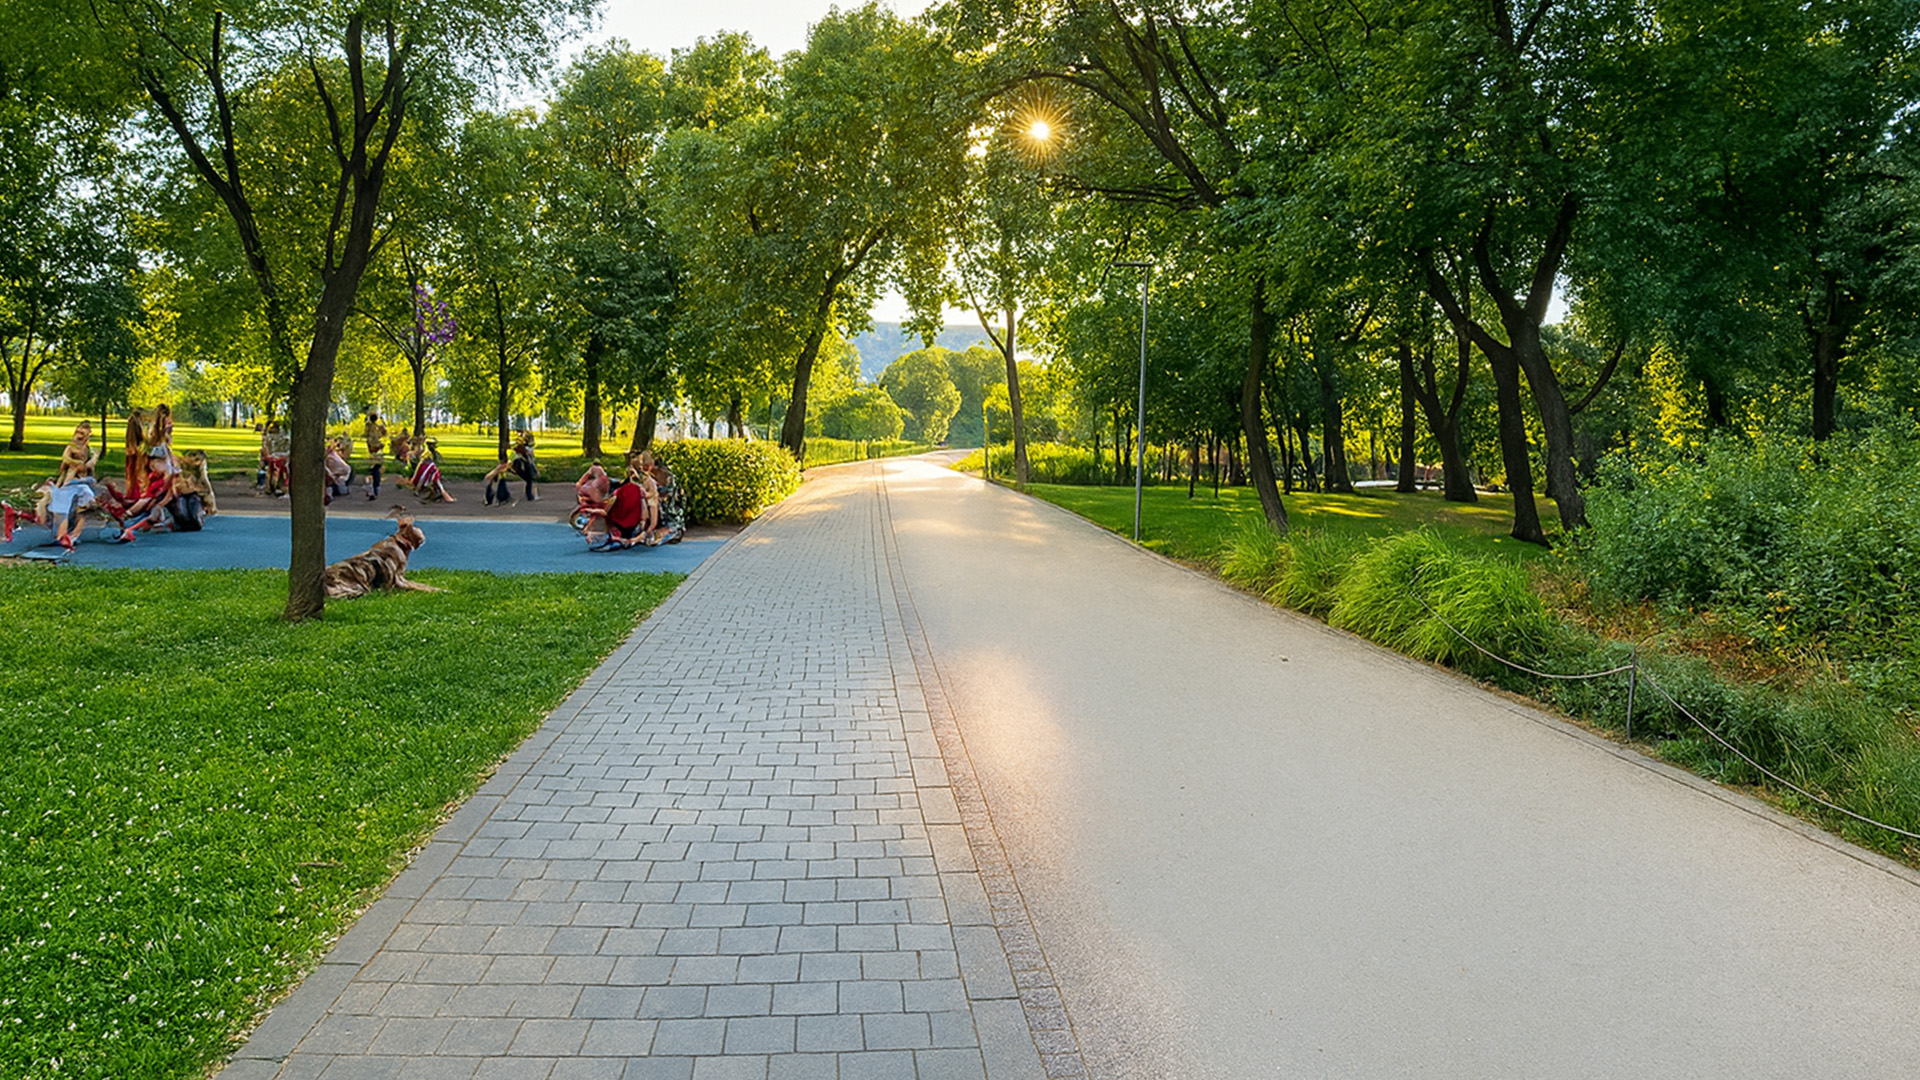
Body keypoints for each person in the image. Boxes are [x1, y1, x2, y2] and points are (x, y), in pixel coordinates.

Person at [405, 437, 456, 502]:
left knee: (436, 481)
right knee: (435, 481)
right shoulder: (425, 452)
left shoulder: (427, 452)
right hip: (427, 469)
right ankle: (443, 496)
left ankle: (439, 494)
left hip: (429, 468)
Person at [361, 409, 387, 498]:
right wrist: (377, 446)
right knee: (374, 470)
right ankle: (373, 489)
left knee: (376, 470)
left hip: (375, 451)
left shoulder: (376, 427)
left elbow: (383, 434)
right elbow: (370, 439)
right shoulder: (370, 427)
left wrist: (383, 426)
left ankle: (374, 489)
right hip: (373, 451)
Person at [510, 431, 539, 501]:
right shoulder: (526, 448)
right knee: (529, 480)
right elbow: (529, 457)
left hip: (524, 464)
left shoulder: (525, 447)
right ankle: (530, 496)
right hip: (526, 464)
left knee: (529, 480)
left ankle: (530, 495)